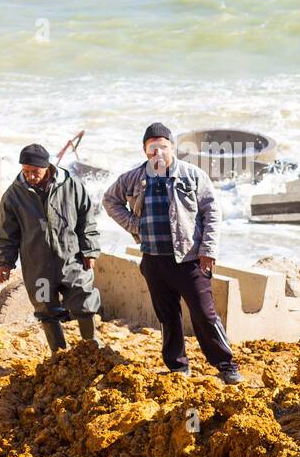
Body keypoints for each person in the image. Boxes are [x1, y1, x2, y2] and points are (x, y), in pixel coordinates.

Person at [102, 123, 242, 384]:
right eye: (152, 147)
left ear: (172, 148)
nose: (158, 152)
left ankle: (226, 365)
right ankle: (178, 367)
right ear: (145, 150)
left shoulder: (192, 175)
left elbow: (212, 212)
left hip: (189, 260)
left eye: (163, 147)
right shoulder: (133, 178)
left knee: (204, 314)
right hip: (154, 261)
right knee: (167, 316)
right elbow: (110, 201)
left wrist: (208, 250)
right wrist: (135, 225)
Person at [0, 143, 103, 352]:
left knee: (84, 301)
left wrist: (89, 250)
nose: (30, 176)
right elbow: (7, 234)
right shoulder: (13, 195)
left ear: (47, 167)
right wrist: (5, 262)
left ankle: (93, 347)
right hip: (38, 268)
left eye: (35, 171)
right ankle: (58, 353)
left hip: (71, 260)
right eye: (26, 171)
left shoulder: (71, 185)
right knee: (46, 309)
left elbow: (86, 219)